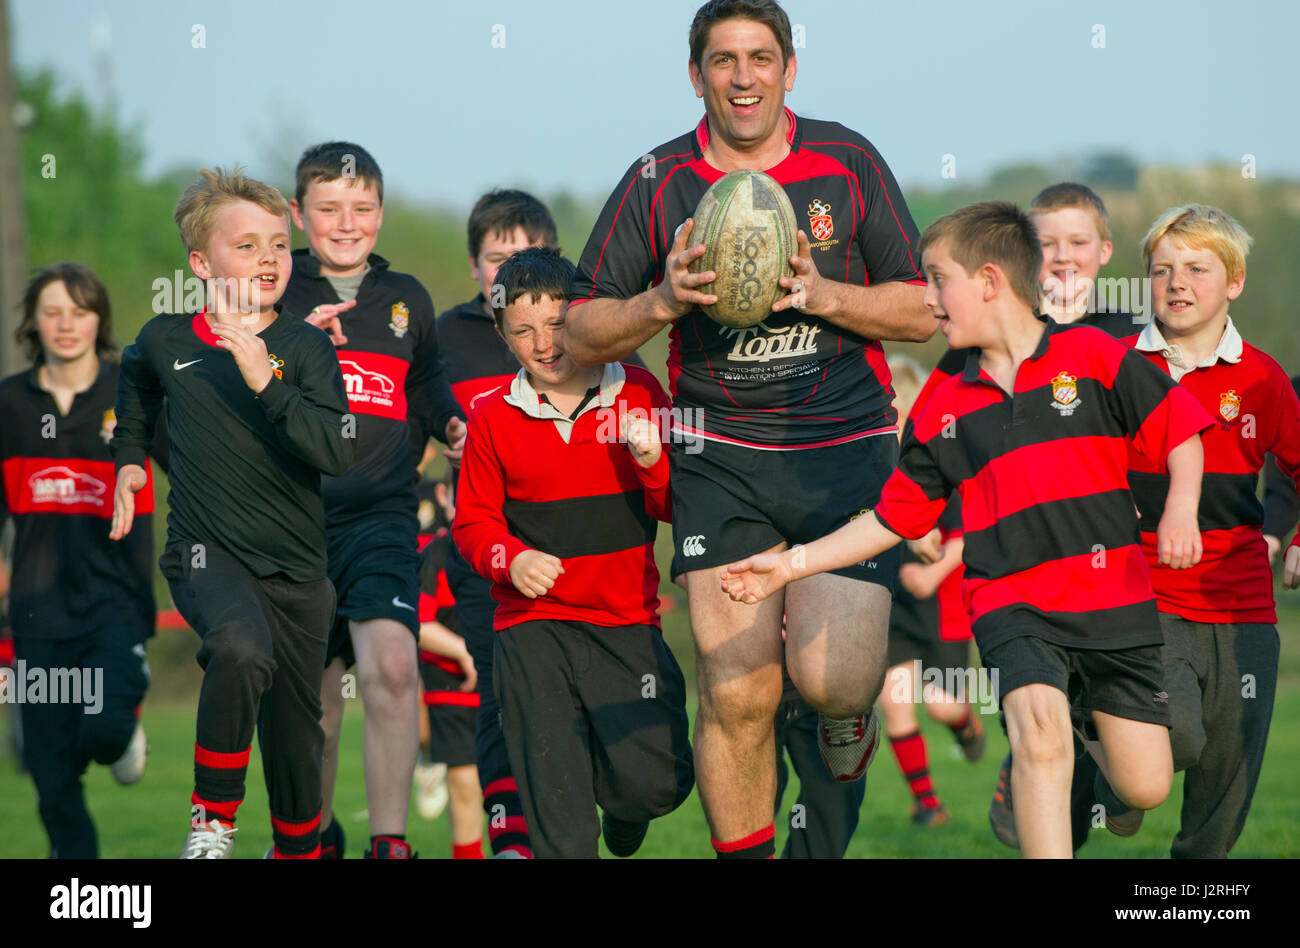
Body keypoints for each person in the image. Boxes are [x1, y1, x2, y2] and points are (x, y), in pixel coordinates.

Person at [721, 201, 1214, 858]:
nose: (927, 298)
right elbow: (893, 518)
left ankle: (1085, 720)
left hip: (1114, 606)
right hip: (1013, 606)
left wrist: (1181, 508)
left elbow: (1181, 433)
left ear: (988, 281)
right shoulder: (944, 402)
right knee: (1038, 734)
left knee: (1147, 783)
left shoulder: (1093, 355)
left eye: (936, 279)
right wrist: (788, 566)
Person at [566, 0, 933, 858]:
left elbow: (923, 307)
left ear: (789, 69)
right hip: (720, 460)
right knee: (737, 693)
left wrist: (825, 294)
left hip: (843, 455)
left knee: (831, 680)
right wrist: (661, 301)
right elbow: (580, 327)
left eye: (760, 58)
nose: (742, 77)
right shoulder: (657, 180)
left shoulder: (847, 161)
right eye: (723, 60)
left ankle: (847, 718)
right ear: (696, 75)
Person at [111, 166, 354, 858]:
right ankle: (212, 822)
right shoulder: (166, 339)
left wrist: (267, 382)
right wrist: (130, 456)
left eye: (278, 245)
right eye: (245, 246)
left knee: (296, 740)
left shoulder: (305, 348)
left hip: (301, 573)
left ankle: (300, 848)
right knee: (241, 648)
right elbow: (135, 383)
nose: (268, 260)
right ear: (200, 262)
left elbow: (336, 450)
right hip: (204, 554)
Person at [454, 247, 693, 858]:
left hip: (625, 622)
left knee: (657, 782)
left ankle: (624, 809)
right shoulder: (489, 417)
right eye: (523, 331)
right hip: (533, 627)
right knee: (559, 813)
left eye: (558, 325)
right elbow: (474, 525)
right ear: (504, 337)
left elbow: (677, 508)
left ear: (583, 318)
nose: (544, 344)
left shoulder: (639, 392)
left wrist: (652, 463)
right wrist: (512, 559)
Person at [281, 141, 466, 859]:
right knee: (318, 702)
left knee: (392, 664)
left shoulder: (406, 299)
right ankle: (312, 840)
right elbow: (241, 379)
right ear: (299, 214)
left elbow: (425, 386)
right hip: (295, 520)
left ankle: (390, 844)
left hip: (383, 518)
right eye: (328, 209)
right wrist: (296, 342)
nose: (346, 222)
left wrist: (449, 419)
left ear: (381, 215)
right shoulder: (276, 292)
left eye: (361, 208)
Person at [1108, 204, 1300, 857]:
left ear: (1235, 281)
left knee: (1225, 787)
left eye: (1197, 268)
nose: (1177, 283)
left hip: (1243, 605)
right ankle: (1116, 778)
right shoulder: (1118, 369)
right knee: (1173, 739)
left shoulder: (1264, 378)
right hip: (1144, 599)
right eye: (1162, 270)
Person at [985, 182, 1129, 851]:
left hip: (1117, 571)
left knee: (1125, 756)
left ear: (1103, 252)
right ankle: (1030, 768)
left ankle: (1111, 772)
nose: (1063, 259)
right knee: (1049, 743)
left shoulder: (1133, 337)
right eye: (1046, 246)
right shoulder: (998, 338)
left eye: (1078, 244)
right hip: (1025, 568)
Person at [0, 263, 159, 858]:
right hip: (37, 615)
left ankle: (125, 731)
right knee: (53, 787)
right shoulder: (10, 404)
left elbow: (198, 474)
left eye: (81, 310)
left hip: (115, 605)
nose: (67, 324)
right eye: (53, 311)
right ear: (33, 324)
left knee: (102, 728)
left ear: (101, 320)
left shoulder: (132, 394)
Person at [435, 189, 561, 857]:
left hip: (570, 546)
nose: (508, 269)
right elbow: (406, 418)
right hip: (484, 549)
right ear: (474, 267)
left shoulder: (579, 327)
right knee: (499, 687)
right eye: (495, 257)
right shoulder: (445, 336)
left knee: (562, 696)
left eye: (524, 255)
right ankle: (509, 829)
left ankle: (576, 812)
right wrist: (442, 431)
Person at [877, 355, 983, 828]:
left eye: (901, 412)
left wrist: (932, 572)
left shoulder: (939, 461)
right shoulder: (872, 469)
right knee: (894, 700)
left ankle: (965, 723)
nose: (894, 423)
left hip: (940, 602)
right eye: (887, 412)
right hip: (894, 606)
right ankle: (928, 804)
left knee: (941, 704)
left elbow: (964, 538)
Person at [414, 469, 485, 858]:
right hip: (449, 687)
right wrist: (463, 651)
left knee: (510, 779)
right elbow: (418, 624)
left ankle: (514, 848)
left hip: (500, 686)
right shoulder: (435, 555)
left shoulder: (507, 552)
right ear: (445, 497)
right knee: (464, 781)